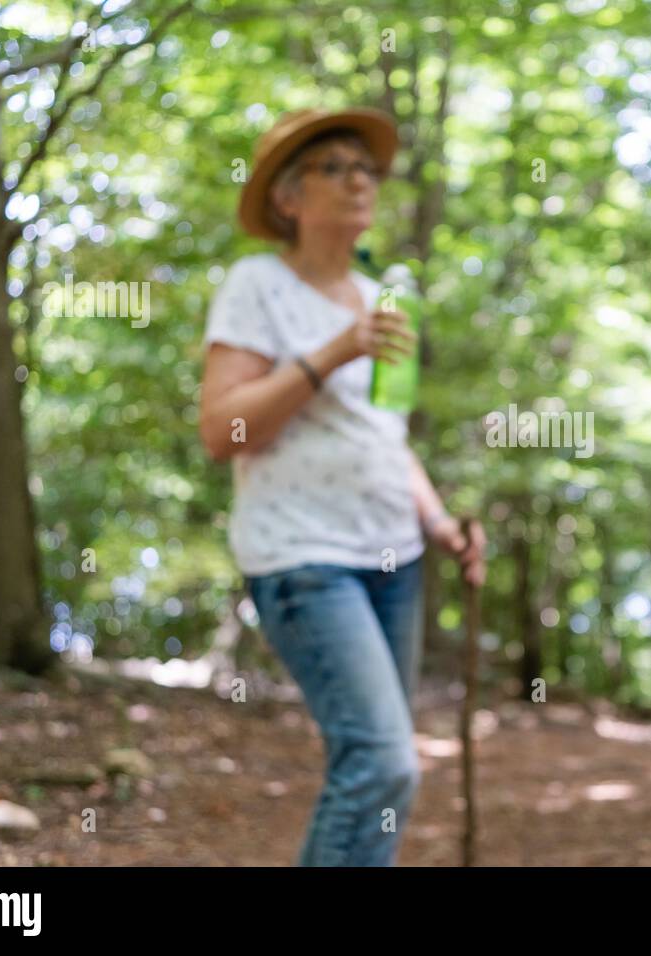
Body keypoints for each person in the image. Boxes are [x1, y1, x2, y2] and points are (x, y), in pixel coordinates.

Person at [198, 107, 485, 866]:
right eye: (337, 166)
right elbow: (221, 430)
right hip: (304, 556)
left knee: (372, 770)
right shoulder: (256, 284)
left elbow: (383, 437)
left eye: (368, 168)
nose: (361, 179)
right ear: (289, 198)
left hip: (393, 557)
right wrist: (332, 351)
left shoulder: (380, 295)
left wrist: (441, 525)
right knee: (384, 763)